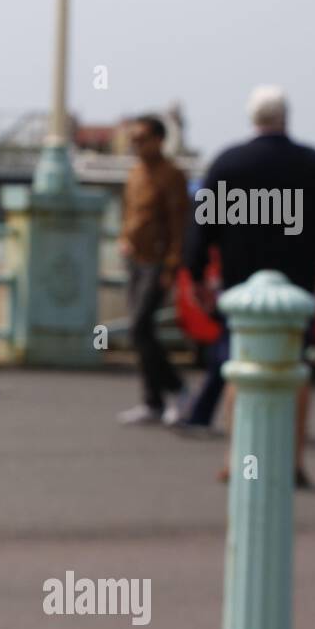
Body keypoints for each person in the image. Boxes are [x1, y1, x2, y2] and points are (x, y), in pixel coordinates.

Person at [186, 86, 315, 486]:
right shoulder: (312, 165)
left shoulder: (228, 163)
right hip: (296, 289)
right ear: (285, 118)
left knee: (237, 370)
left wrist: (195, 274)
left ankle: (235, 457)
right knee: (296, 370)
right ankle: (293, 460)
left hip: (239, 289)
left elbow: (201, 228)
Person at [116, 115, 192, 426]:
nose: (136, 144)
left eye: (142, 138)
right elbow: (129, 212)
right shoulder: (135, 174)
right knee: (141, 333)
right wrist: (123, 239)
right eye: (133, 138)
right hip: (135, 259)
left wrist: (173, 265)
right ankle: (153, 401)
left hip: (158, 262)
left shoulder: (171, 176)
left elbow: (180, 224)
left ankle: (177, 388)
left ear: (159, 140)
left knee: (139, 327)